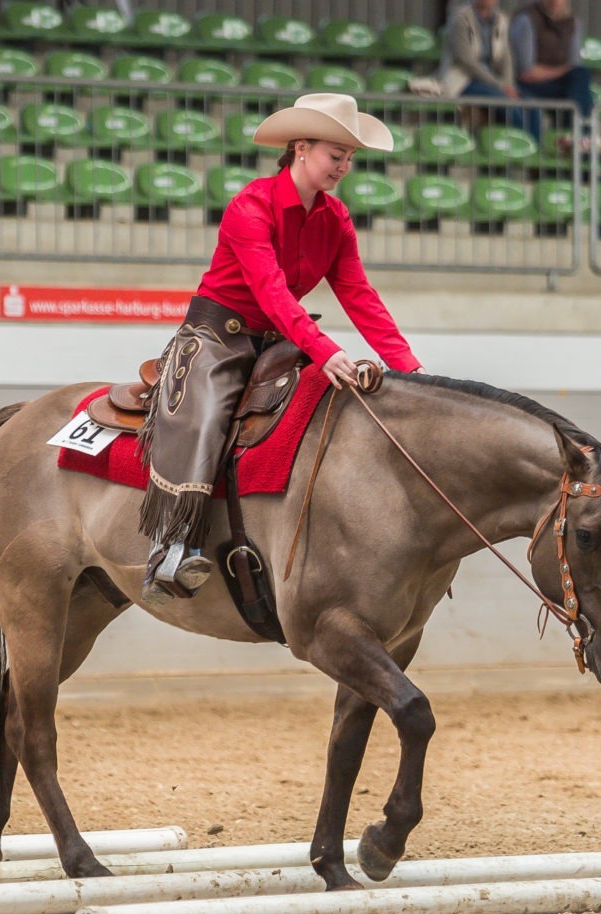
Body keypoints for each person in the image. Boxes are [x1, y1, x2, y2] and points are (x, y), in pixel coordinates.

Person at [136, 93, 424, 606]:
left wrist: (411, 369)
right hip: (216, 335)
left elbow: (359, 295)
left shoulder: (336, 220)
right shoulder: (251, 206)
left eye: (350, 159)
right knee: (205, 415)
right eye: (336, 155)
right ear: (300, 148)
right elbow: (271, 292)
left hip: (280, 340)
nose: (344, 167)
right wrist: (325, 350)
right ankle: (172, 544)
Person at [416, 0, 521, 130]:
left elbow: (506, 58)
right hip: (464, 81)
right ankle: (520, 146)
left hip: (493, 82)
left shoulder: (502, 20)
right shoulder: (460, 19)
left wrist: (508, 84)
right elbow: (466, 60)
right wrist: (500, 85)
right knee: (508, 104)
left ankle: (535, 147)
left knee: (532, 107)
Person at [508, 0, 593, 145]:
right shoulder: (527, 19)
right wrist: (562, 70)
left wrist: (556, 71)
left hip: (559, 84)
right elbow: (526, 71)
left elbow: (574, 63)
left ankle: (575, 139)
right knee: (578, 90)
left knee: (581, 76)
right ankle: (582, 138)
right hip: (530, 85)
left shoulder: (573, 22)